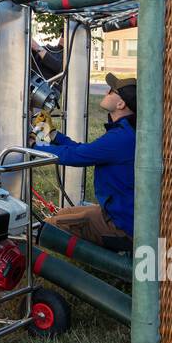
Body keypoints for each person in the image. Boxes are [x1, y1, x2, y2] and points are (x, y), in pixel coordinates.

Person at [32, 77, 136, 249]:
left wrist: (34, 147)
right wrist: (54, 136)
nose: (106, 92)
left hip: (122, 226)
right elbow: (85, 151)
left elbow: (76, 156)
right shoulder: (125, 132)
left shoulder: (121, 138)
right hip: (118, 213)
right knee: (63, 213)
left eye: (111, 91)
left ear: (121, 105)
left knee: (50, 227)